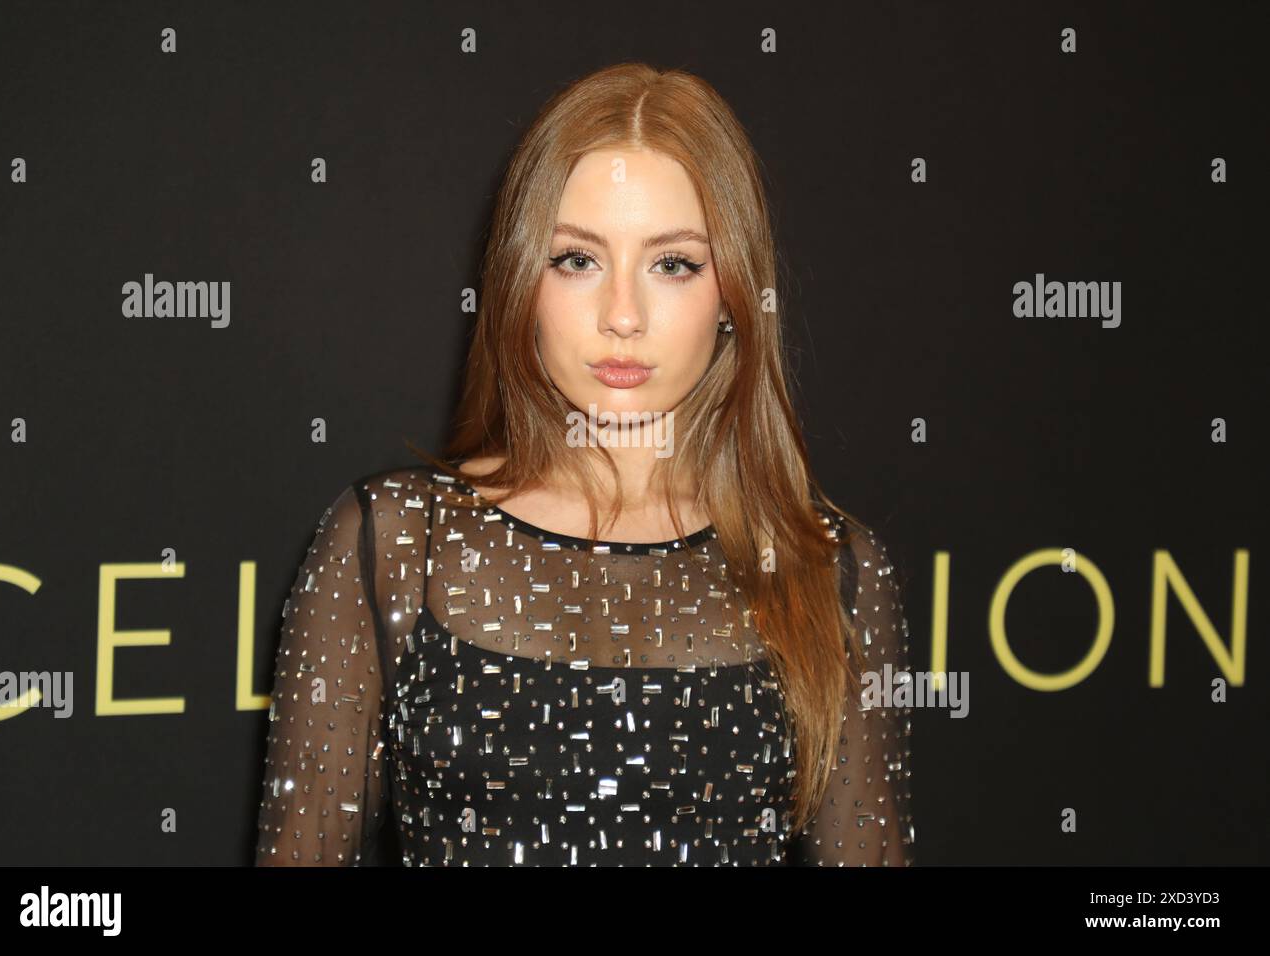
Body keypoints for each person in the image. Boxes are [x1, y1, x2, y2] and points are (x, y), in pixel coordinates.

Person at [254, 62, 914, 866]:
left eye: (673, 264)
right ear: (519, 282)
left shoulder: (829, 570)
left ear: (735, 296)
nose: (623, 316)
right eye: (577, 260)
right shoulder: (394, 547)